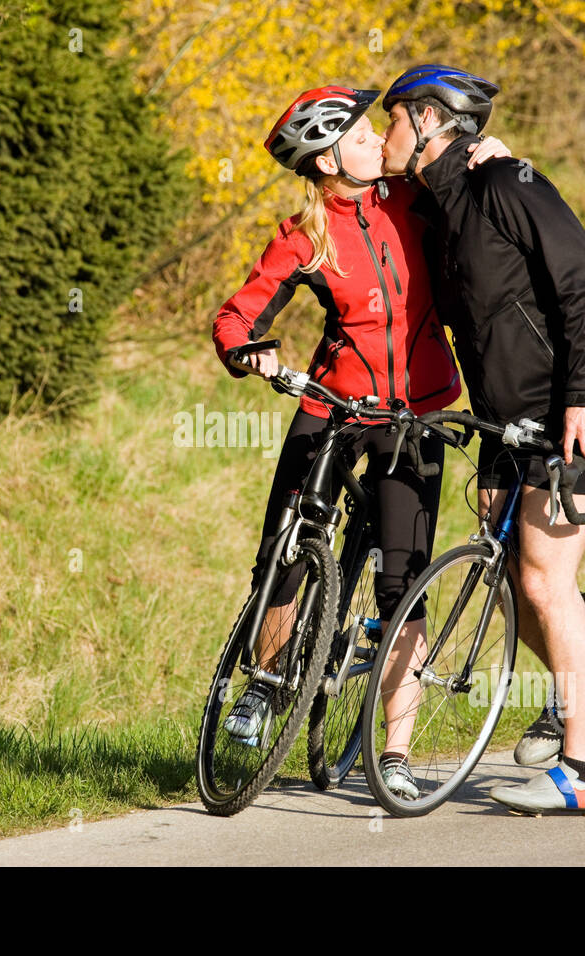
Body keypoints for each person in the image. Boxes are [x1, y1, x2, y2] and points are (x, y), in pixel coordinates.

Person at [211, 85, 510, 799]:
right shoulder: (303, 236)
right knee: (284, 547)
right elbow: (237, 314)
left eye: (380, 129)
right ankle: (265, 682)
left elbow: (481, 182)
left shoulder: (415, 199)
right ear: (326, 156)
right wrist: (246, 351)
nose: (380, 139)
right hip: (334, 404)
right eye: (361, 134)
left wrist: (497, 157)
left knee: (404, 584)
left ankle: (396, 754)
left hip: (419, 417)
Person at [381, 65, 585, 815]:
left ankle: (583, 774)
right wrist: (489, 447)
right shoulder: (441, 204)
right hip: (504, 425)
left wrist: (584, 395)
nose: (383, 133)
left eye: (390, 119)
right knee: (520, 579)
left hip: (562, 413)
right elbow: (480, 338)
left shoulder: (507, 185)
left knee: (547, 581)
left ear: (426, 119)